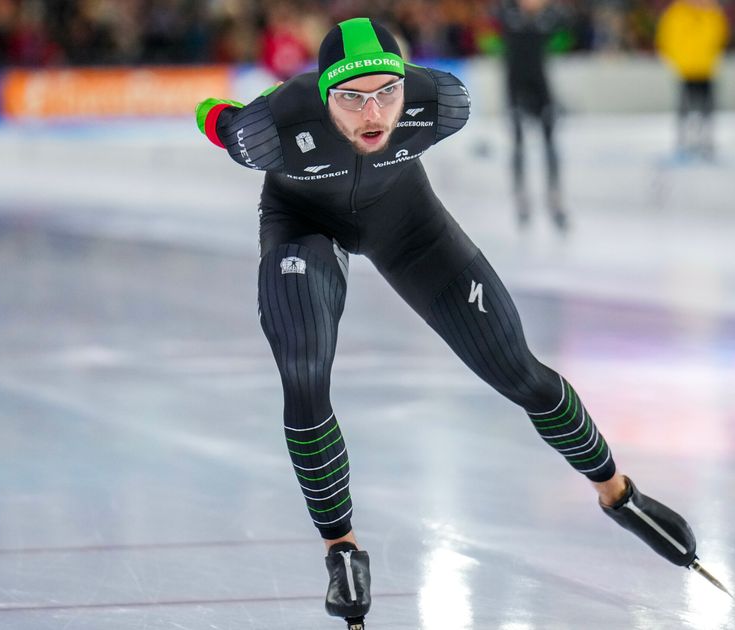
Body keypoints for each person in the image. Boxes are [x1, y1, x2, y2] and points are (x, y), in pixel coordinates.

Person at [194, 17, 702, 629]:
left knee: (520, 372)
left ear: (406, 84)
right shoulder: (270, 129)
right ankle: (342, 550)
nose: (372, 113)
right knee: (303, 369)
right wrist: (239, 114)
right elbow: (210, 114)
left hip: (405, 223)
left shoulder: (442, 103)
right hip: (303, 223)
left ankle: (619, 493)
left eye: (387, 92)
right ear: (323, 94)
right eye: (351, 98)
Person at [498, 0, 568, 231]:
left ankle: (555, 198)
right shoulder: (508, 13)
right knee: (518, 145)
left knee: (550, 143)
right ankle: (521, 200)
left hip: (541, 87)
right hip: (515, 87)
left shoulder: (550, 16)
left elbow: (568, 28)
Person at [654, 0, 729, 160]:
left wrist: (712, 56)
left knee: (706, 107)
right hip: (686, 68)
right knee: (685, 106)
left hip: (706, 68)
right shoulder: (676, 14)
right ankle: (684, 140)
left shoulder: (712, 13)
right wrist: (676, 59)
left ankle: (705, 139)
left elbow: (720, 37)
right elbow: (666, 38)